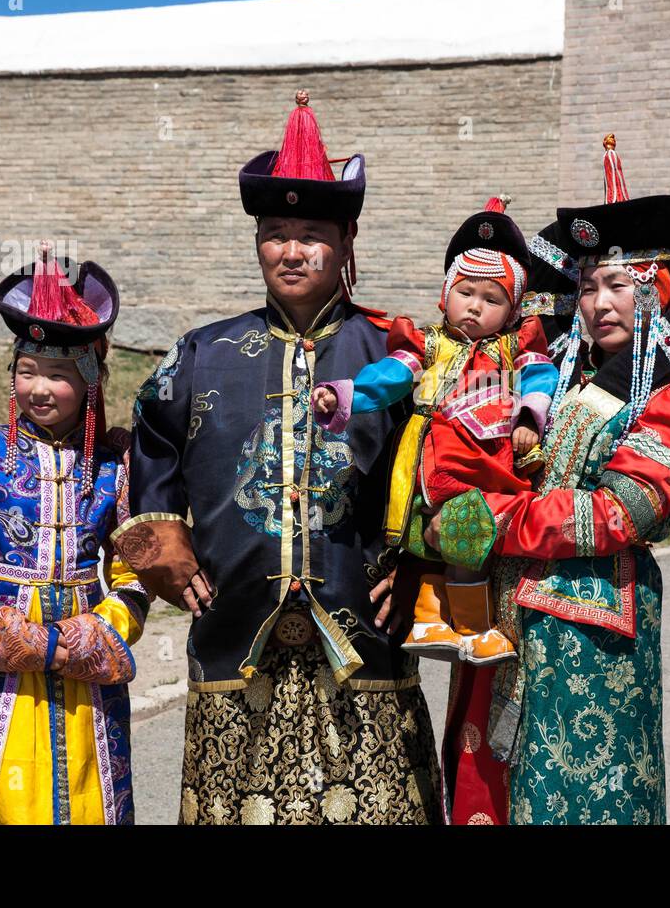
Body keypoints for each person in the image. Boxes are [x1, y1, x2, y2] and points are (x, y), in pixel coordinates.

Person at [112, 90, 441, 825]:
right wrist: (160, 533)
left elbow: (438, 461)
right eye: (275, 232)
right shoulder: (204, 352)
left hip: (363, 631)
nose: (291, 250)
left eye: (312, 232)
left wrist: (421, 560)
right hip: (237, 628)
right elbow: (152, 433)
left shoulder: (394, 352)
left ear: (347, 239)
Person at [425, 135, 670, 823]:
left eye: (618, 285)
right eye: (587, 284)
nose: (598, 302)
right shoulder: (549, 384)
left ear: (658, 293)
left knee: (587, 796)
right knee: (495, 789)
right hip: (505, 618)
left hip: (595, 631)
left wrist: (496, 519)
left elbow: (620, 512)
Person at [0, 244, 148, 825]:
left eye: (59, 374)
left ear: (92, 381)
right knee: (4, 795)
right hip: (4, 665)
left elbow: (133, 571)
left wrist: (102, 629)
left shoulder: (113, 464)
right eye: (28, 371)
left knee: (89, 792)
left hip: (87, 672)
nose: (41, 389)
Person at [311, 195, 558, 666]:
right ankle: (428, 620)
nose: (474, 308)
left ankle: (474, 625)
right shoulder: (426, 344)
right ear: (445, 295)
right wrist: (343, 395)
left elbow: (541, 376)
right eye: (465, 293)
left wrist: (529, 416)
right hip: (426, 463)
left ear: (511, 312)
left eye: (492, 300)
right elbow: (388, 378)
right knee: (425, 537)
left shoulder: (514, 349)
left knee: (467, 535)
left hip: (485, 466)